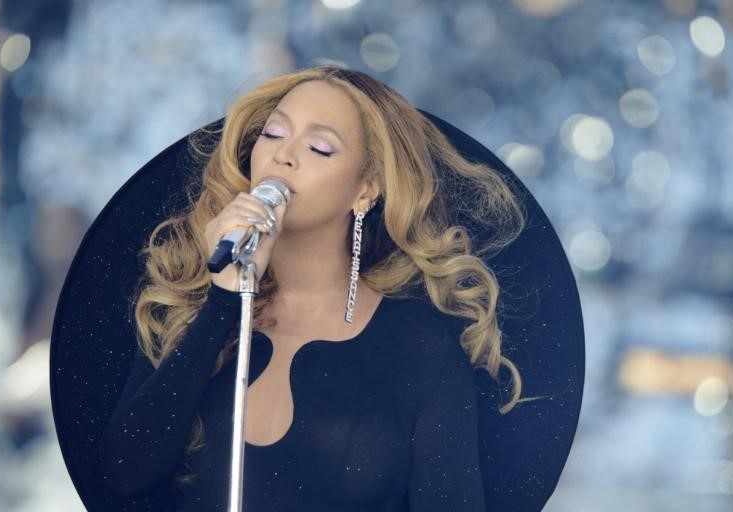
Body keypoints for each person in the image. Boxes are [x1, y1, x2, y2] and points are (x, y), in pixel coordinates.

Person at [99, 65, 526, 511]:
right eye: (273, 134)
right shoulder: (188, 297)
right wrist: (222, 301)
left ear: (366, 190)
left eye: (319, 147)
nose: (283, 155)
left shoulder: (420, 347)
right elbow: (127, 474)